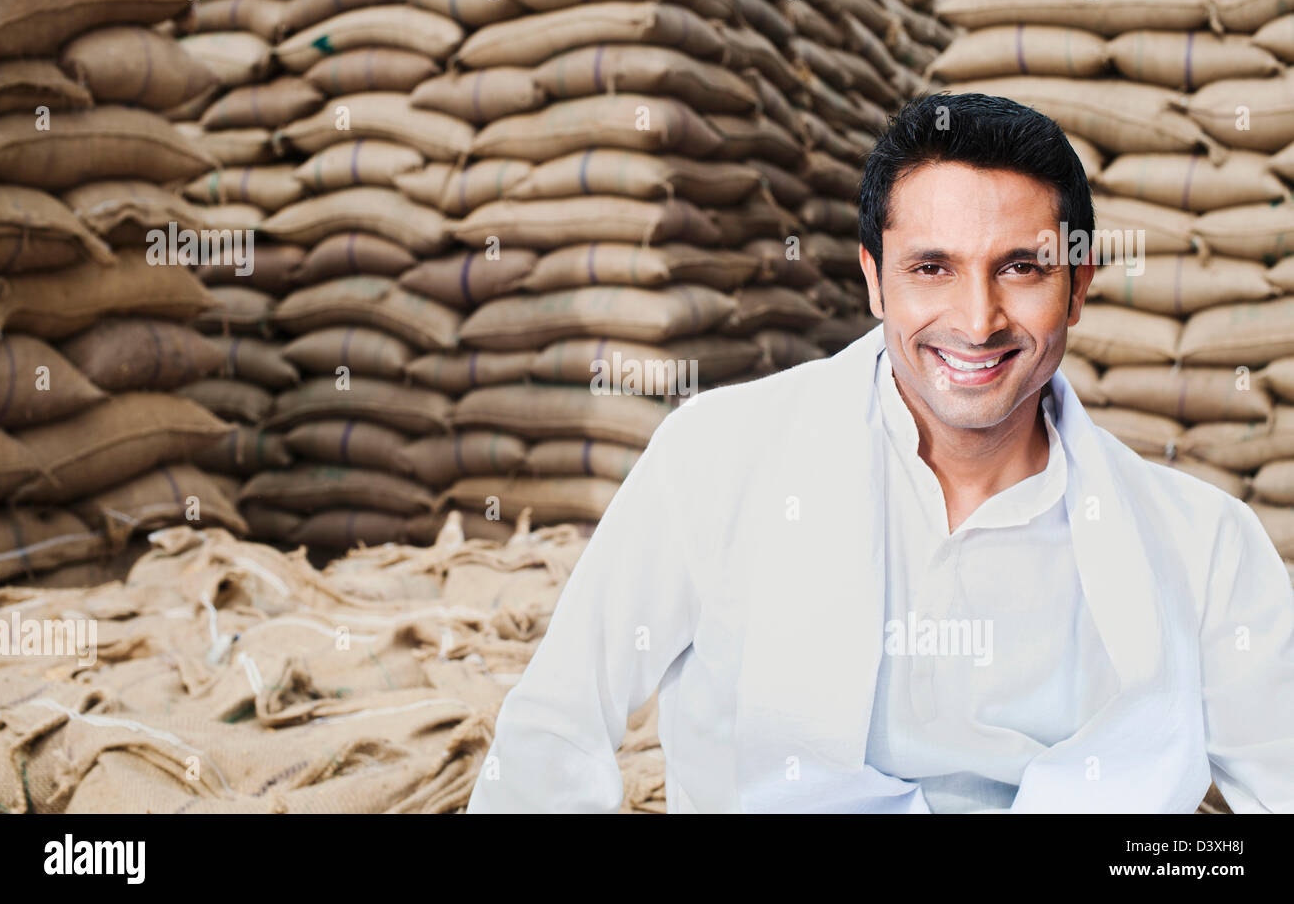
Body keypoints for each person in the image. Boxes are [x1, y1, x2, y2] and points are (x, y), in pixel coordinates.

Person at [466, 93, 1294, 813]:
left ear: (1078, 286)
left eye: (1021, 268)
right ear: (873, 279)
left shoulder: (1203, 547)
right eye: (932, 267)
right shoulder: (719, 459)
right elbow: (556, 728)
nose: (977, 320)